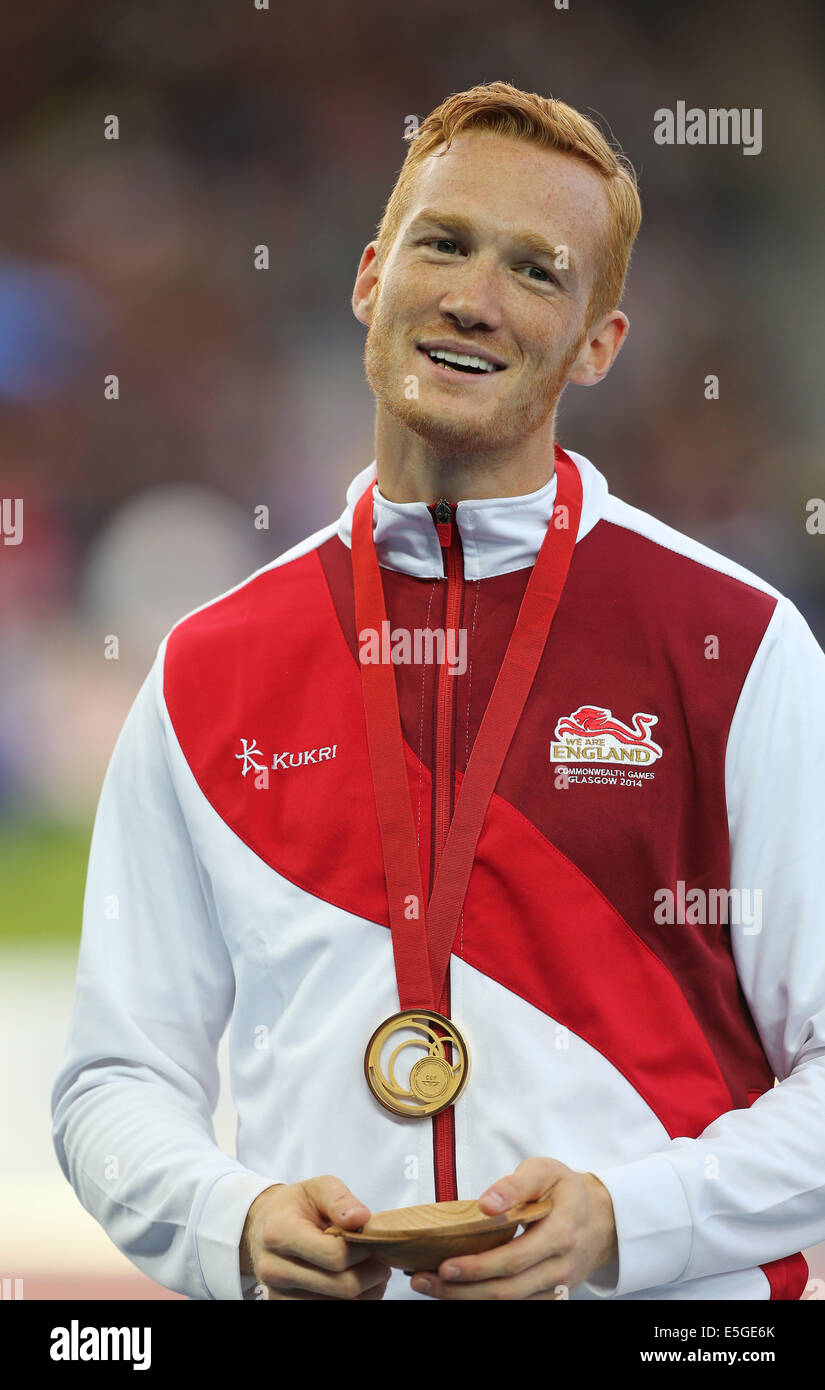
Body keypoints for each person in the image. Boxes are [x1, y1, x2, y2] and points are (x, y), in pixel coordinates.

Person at [51, 80, 825, 1302]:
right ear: (371, 278)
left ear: (599, 343)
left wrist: (630, 1221)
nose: (474, 298)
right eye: (445, 243)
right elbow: (113, 1081)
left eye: (537, 270)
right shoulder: (209, 669)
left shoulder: (735, 644)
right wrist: (231, 1221)